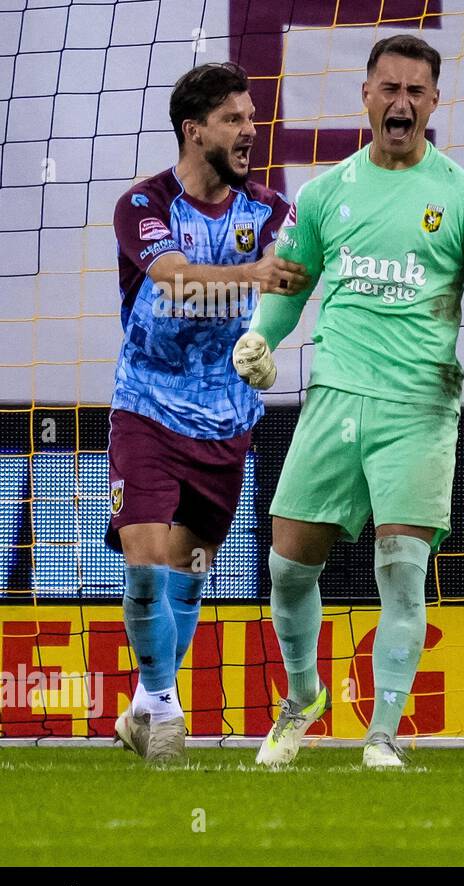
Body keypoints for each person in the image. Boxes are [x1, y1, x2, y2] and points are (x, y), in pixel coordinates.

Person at [234, 34, 464, 769]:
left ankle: (381, 733)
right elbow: (291, 283)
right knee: (287, 566)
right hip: (335, 398)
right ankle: (303, 698)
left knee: (402, 567)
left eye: (416, 91)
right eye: (389, 88)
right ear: (367, 96)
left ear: (434, 103)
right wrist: (262, 339)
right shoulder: (324, 195)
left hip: (418, 405)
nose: (401, 102)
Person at [109, 62, 306, 762]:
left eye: (251, 117)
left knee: (191, 571)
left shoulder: (271, 212)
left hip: (227, 421)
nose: (250, 130)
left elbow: (292, 270)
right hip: (148, 410)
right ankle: (163, 712)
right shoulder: (144, 205)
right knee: (141, 567)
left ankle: (141, 705)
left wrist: (274, 319)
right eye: (233, 119)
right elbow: (171, 276)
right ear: (194, 131)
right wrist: (252, 277)